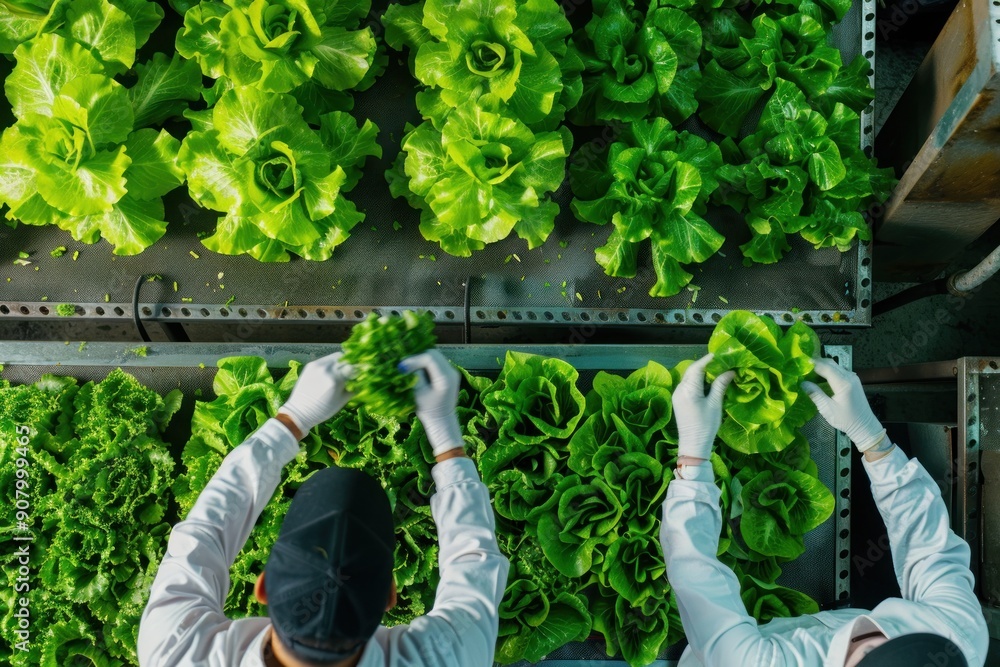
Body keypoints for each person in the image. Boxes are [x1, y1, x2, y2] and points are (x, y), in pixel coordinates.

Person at [138, 350, 510, 667]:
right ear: (390, 596)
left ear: (263, 586)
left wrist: (293, 418)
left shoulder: (176, 652)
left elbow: (204, 537)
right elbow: (204, 538)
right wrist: (443, 428)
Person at [663, 354, 988, 667]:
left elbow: (694, 570)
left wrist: (692, 458)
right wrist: (873, 440)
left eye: (869, 650)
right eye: (891, 638)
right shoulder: (960, 637)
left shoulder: (752, 660)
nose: (876, 639)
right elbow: (926, 546)